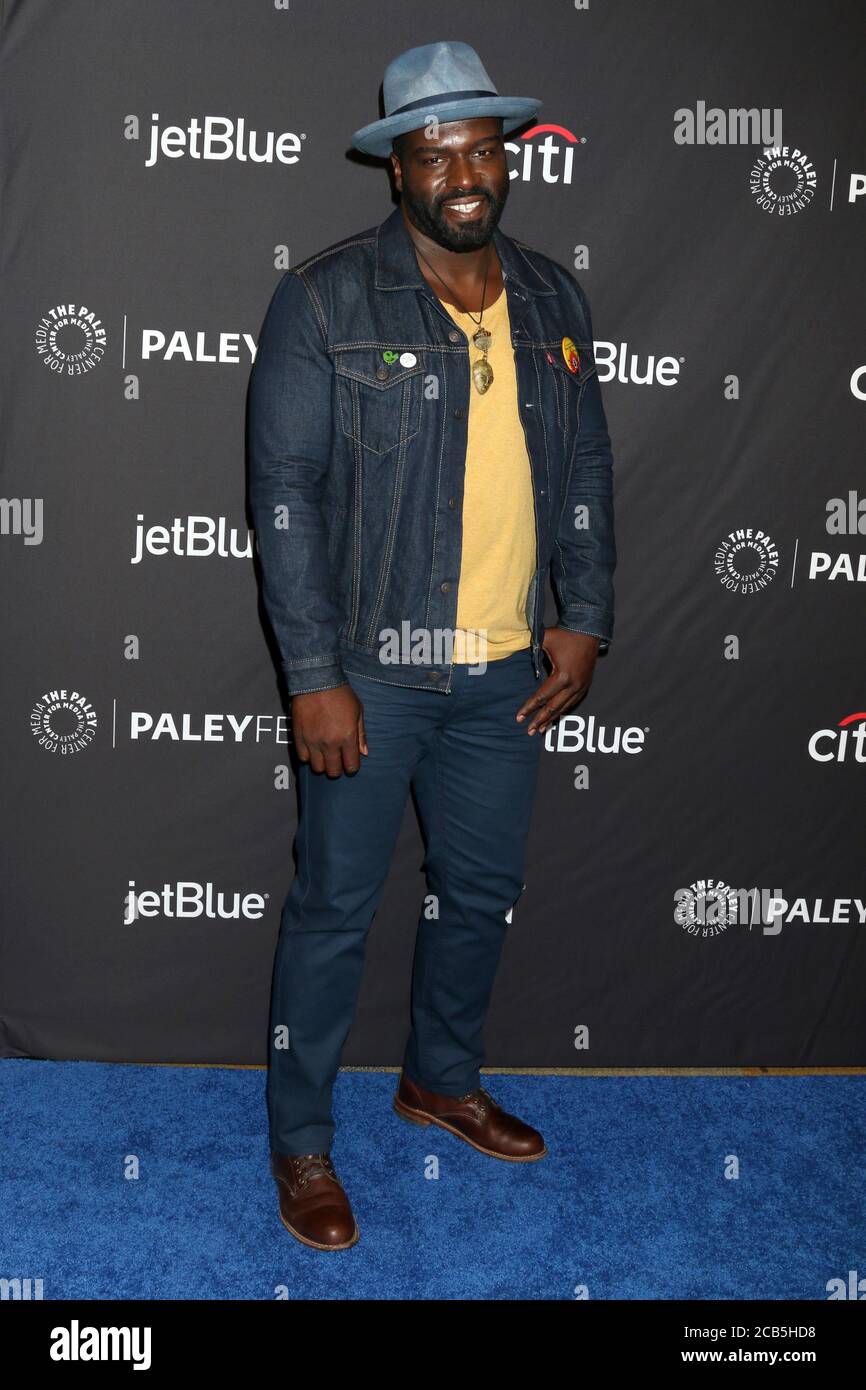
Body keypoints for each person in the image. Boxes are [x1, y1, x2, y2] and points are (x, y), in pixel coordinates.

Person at [248, 40, 616, 1250]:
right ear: (393, 165)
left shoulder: (553, 296)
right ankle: (301, 1142)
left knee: (482, 897)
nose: (460, 170)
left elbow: (582, 473)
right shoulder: (324, 299)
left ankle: (437, 1079)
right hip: (373, 671)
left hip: (502, 671)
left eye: (478, 146)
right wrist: (314, 676)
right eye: (432, 149)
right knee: (334, 911)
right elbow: (287, 494)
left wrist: (581, 611)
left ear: (504, 157)